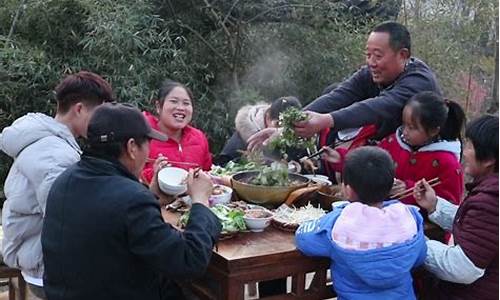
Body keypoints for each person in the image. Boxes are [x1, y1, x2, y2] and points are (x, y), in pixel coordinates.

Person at [41, 103, 222, 300]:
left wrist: (150, 195)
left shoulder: (65, 180)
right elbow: (189, 261)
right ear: (132, 147)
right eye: (147, 144)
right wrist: (200, 201)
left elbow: (113, 223)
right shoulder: (132, 200)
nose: (148, 154)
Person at [0, 71, 113, 299]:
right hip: (47, 268)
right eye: (98, 114)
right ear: (79, 109)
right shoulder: (55, 156)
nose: (102, 123)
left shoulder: (46, 139)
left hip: (34, 255)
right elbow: (67, 225)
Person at [247, 21, 441, 151]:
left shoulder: (419, 82)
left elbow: (378, 106)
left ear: (403, 55)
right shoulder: (371, 73)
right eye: (368, 54)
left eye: (378, 55)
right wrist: (287, 128)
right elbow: (340, 95)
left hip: (424, 164)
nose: (371, 62)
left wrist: (325, 121)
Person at [295, 146, 427, 299]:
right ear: (391, 186)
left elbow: (304, 240)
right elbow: (420, 256)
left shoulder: (340, 222)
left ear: (348, 190)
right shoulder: (408, 217)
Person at [413, 115, 498, 300]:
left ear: (489, 159)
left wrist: (415, 241)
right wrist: (435, 205)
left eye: (469, 145)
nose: (464, 152)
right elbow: (475, 228)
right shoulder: (490, 192)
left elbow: (463, 268)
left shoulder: (491, 201)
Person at [141, 80, 212, 184]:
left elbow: (207, 172)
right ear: (158, 106)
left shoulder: (199, 137)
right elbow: (132, 176)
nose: (180, 108)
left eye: (186, 103)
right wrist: (155, 174)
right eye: (174, 101)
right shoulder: (143, 136)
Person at [216, 96, 302, 165]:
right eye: (279, 125)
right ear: (267, 116)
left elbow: (294, 156)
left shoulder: (290, 134)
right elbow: (223, 166)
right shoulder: (242, 139)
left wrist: (301, 161)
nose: (281, 131)